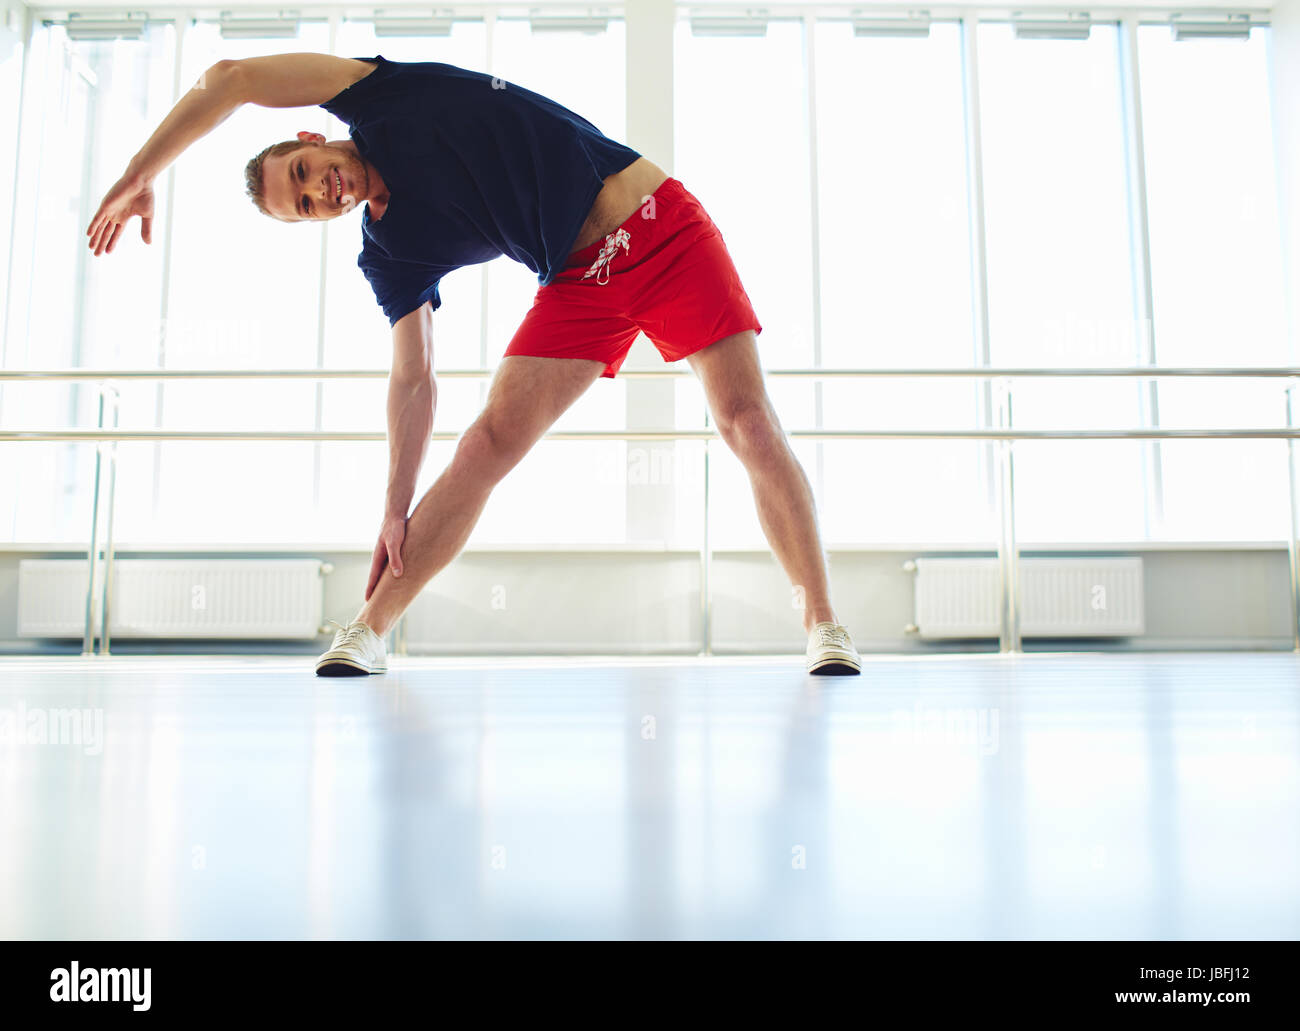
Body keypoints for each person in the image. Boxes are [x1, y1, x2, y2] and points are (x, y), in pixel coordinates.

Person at [86, 52, 861, 677]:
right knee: (485, 445)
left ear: (311, 141)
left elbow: (233, 80)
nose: (320, 193)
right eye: (309, 208)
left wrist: (137, 175)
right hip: (578, 278)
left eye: (303, 174)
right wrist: (395, 503)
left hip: (659, 229)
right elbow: (414, 377)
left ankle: (822, 623)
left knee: (747, 422)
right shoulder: (390, 254)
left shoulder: (377, 93)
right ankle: (366, 632)